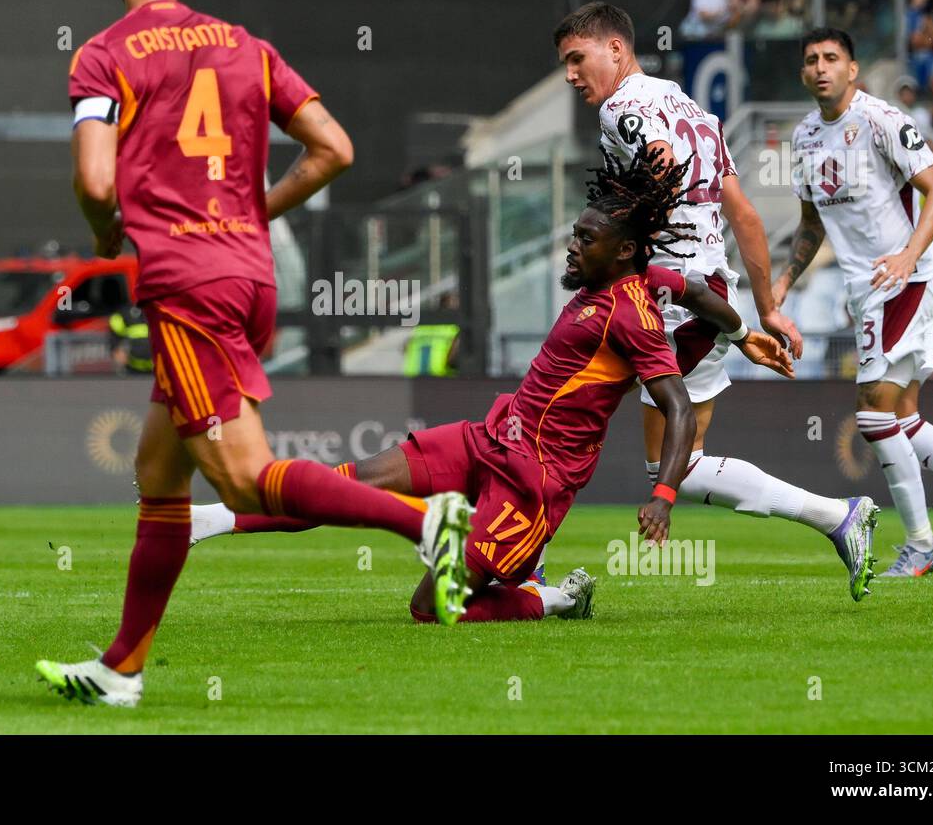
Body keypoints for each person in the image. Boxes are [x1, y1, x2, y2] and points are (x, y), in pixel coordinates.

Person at [36, 0, 476, 708]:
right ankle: (121, 668)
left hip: (185, 281)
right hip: (250, 272)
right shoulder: (245, 45)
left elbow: (97, 182)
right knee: (158, 472)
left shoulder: (103, 57)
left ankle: (426, 521)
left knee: (242, 481)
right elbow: (334, 149)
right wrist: (254, 213)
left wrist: (107, 232)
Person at [194, 147, 816, 619]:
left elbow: (677, 407)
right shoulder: (644, 276)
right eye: (575, 234)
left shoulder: (634, 313)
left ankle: (552, 601)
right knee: (347, 485)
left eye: (584, 239)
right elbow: (702, 292)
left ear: (621, 250)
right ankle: (211, 520)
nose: (571, 249)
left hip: (535, 484)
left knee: (430, 607)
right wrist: (742, 335)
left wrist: (665, 495)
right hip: (490, 438)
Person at [553, 1, 881, 602]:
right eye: (566, 64)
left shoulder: (621, 112)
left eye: (578, 59)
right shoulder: (695, 111)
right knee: (678, 460)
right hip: (710, 294)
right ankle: (838, 516)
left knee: (561, 410)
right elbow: (746, 216)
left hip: (664, 296)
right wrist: (766, 310)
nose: (571, 74)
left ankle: (522, 560)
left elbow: (655, 188)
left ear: (616, 50)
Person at [779, 26, 933, 578]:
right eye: (811, 59)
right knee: (903, 418)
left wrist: (909, 255)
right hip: (867, 289)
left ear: (852, 69)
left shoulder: (882, 119)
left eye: (832, 58)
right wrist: (784, 282)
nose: (820, 67)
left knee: (871, 411)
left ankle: (921, 544)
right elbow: (810, 224)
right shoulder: (806, 137)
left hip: (904, 279)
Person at [108, 302, 152, 374]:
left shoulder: (158, 310)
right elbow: (115, 339)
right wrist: (117, 349)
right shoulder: (122, 313)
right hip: (132, 368)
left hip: (156, 369)